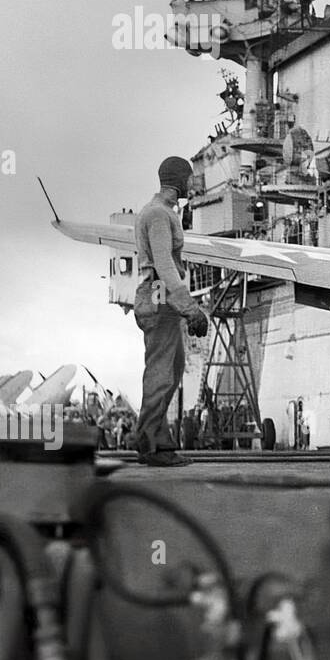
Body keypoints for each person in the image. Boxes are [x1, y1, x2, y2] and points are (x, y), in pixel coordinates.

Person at [131, 156, 209, 466]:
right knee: (162, 373)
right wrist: (190, 308)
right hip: (159, 298)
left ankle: (160, 441)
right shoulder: (160, 214)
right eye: (190, 178)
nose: (193, 184)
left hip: (160, 299)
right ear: (179, 180)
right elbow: (164, 263)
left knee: (171, 370)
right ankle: (149, 445)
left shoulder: (157, 212)